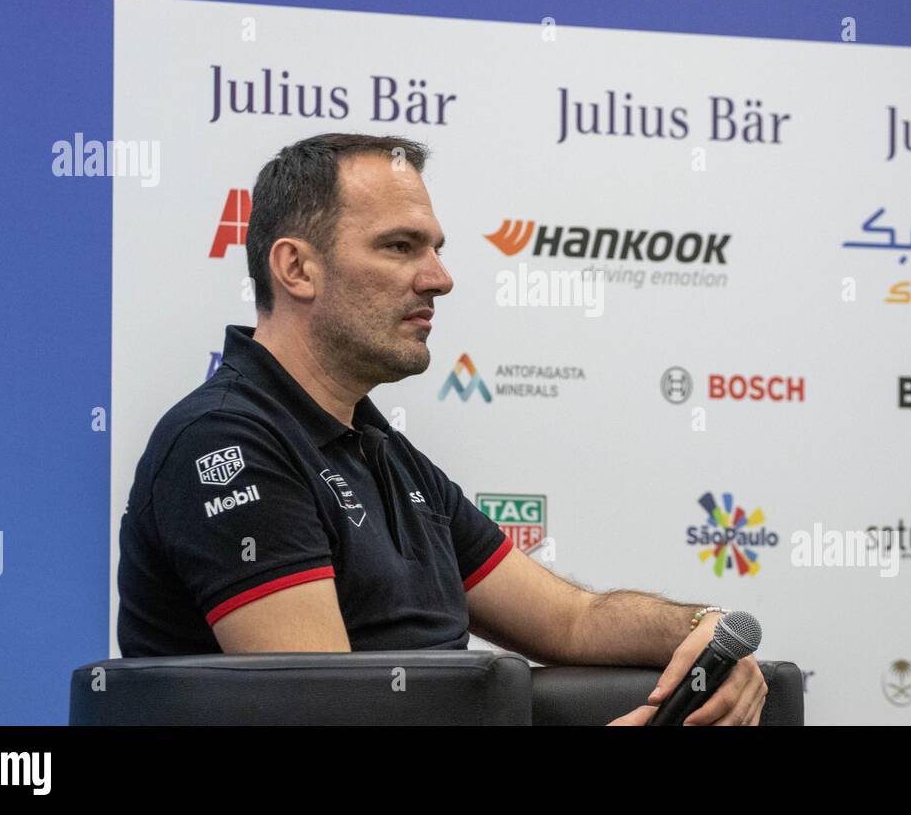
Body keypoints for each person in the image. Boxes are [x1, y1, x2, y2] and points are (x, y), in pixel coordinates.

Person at [116, 133, 767, 725]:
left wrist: (705, 630)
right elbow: (327, 715)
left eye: (435, 249)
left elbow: (573, 621)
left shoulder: (384, 455)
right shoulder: (227, 443)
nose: (440, 279)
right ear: (296, 269)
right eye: (400, 247)